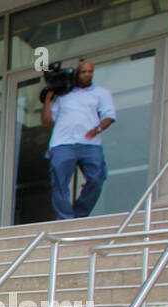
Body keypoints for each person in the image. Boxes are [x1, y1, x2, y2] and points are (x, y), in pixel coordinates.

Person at [43, 60, 116, 220]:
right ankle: (66, 217)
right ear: (77, 74)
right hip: (62, 144)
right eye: (83, 71)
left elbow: (109, 116)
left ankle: (79, 214)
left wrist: (96, 130)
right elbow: (47, 121)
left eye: (90, 71)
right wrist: (48, 99)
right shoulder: (63, 94)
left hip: (90, 144)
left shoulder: (101, 92)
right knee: (59, 182)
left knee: (97, 178)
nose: (87, 74)